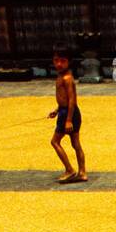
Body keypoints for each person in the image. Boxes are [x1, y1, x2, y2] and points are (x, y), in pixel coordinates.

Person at [49, 47, 87, 183]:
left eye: (63, 61)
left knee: (54, 141)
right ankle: (82, 172)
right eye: (56, 60)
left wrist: (68, 120)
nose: (59, 64)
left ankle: (70, 170)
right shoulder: (60, 76)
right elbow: (63, 99)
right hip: (65, 111)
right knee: (75, 143)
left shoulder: (67, 78)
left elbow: (72, 100)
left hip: (69, 114)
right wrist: (57, 110)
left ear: (69, 62)